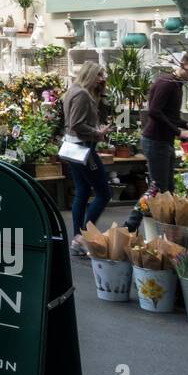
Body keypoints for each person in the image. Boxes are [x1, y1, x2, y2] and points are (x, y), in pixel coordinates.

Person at [62, 62, 112, 256]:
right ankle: (83, 236)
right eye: (99, 75)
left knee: (82, 191)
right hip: (83, 148)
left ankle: (77, 240)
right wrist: (98, 133)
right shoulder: (82, 94)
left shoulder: (74, 90)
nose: (102, 78)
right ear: (90, 74)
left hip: (72, 147)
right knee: (103, 193)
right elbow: (76, 124)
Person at [141, 51, 188, 194]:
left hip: (163, 141)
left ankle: (165, 216)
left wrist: (186, 124)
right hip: (155, 140)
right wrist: (178, 131)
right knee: (158, 188)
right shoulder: (167, 83)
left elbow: (169, 115)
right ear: (182, 64)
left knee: (167, 188)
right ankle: (134, 217)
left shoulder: (176, 84)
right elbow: (154, 111)